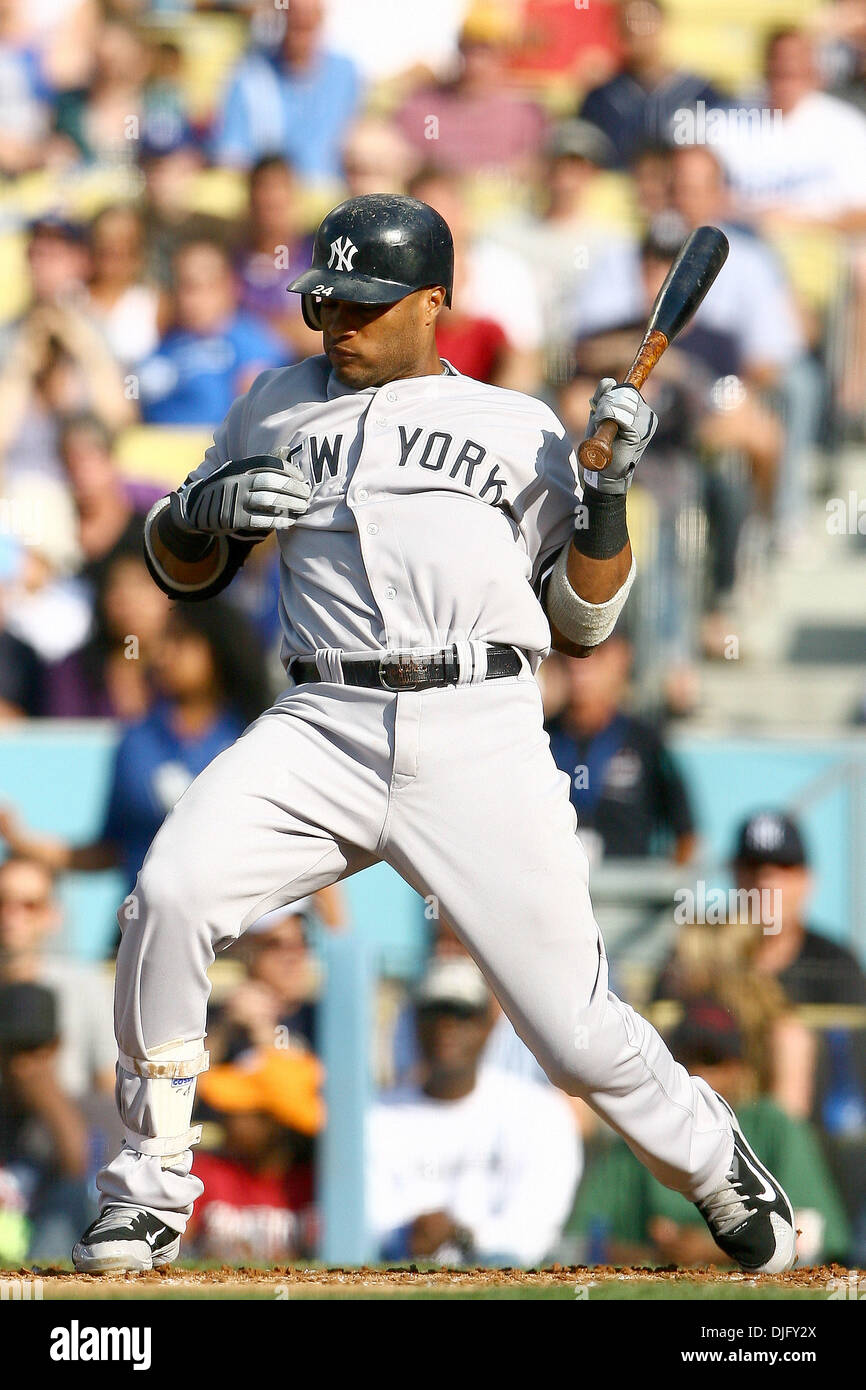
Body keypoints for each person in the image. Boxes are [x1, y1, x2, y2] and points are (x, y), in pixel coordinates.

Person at [73, 192, 797, 1277]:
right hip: (320, 718)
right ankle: (145, 1189)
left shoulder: (518, 425)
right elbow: (183, 571)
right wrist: (202, 512)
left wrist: (603, 493)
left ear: (432, 303)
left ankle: (713, 1161)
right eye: (326, 299)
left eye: (365, 303)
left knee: (568, 1029)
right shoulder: (271, 400)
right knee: (170, 893)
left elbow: (583, 620)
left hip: (477, 722)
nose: (338, 323)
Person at [0, 599, 271, 894]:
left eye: (180, 640)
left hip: (238, 931)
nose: (163, 654)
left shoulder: (254, 737)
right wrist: (24, 842)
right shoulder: (135, 739)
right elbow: (112, 850)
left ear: (220, 649)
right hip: (142, 924)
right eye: (163, 640)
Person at [568, 998, 850, 1266]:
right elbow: (582, 1240)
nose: (698, 1070)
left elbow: (815, 1235)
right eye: (685, 1057)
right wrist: (662, 1255)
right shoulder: (643, 1129)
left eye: (711, 1058)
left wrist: (714, 1250)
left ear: (739, 1068)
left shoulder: (772, 1126)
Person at [368, 957, 580, 1266]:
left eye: (462, 1013)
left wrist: (462, 1235)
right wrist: (407, 1235)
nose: (446, 1025)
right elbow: (369, 1224)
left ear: (489, 1023)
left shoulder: (540, 1114)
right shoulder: (376, 1118)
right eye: (434, 1011)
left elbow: (533, 1230)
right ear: (414, 1021)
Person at [544, 635, 697, 863]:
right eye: (571, 654)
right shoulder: (541, 736)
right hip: (558, 889)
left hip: (629, 894)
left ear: (620, 659)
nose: (578, 667)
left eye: (592, 654)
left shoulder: (645, 740)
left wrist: (665, 891)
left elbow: (686, 833)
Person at [186, 1049, 322, 1264]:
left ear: (275, 1123)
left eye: (240, 1109)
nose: (224, 1116)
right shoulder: (204, 1173)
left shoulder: (321, 1184)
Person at [137, 238, 288, 427]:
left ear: (228, 286)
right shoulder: (166, 344)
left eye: (197, 287)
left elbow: (257, 416)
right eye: (181, 286)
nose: (187, 300)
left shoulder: (254, 345)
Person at [0, 855, 116, 1099]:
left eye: (29, 905)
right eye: (2, 901)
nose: (11, 915)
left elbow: (110, 1088)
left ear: (51, 914)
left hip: (67, 1130)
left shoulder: (87, 986)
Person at [211, 0, 361, 183]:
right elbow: (231, 153)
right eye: (294, 16)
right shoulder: (249, 73)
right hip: (265, 191)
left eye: (308, 19)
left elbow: (355, 138)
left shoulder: (345, 73)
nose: (301, 21)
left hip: (327, 190)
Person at [578, 0, 727, 169]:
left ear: (661, 23)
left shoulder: (700, 94)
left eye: (643, 21)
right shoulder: (602, 98)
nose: (634, 30)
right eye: (626, 22)